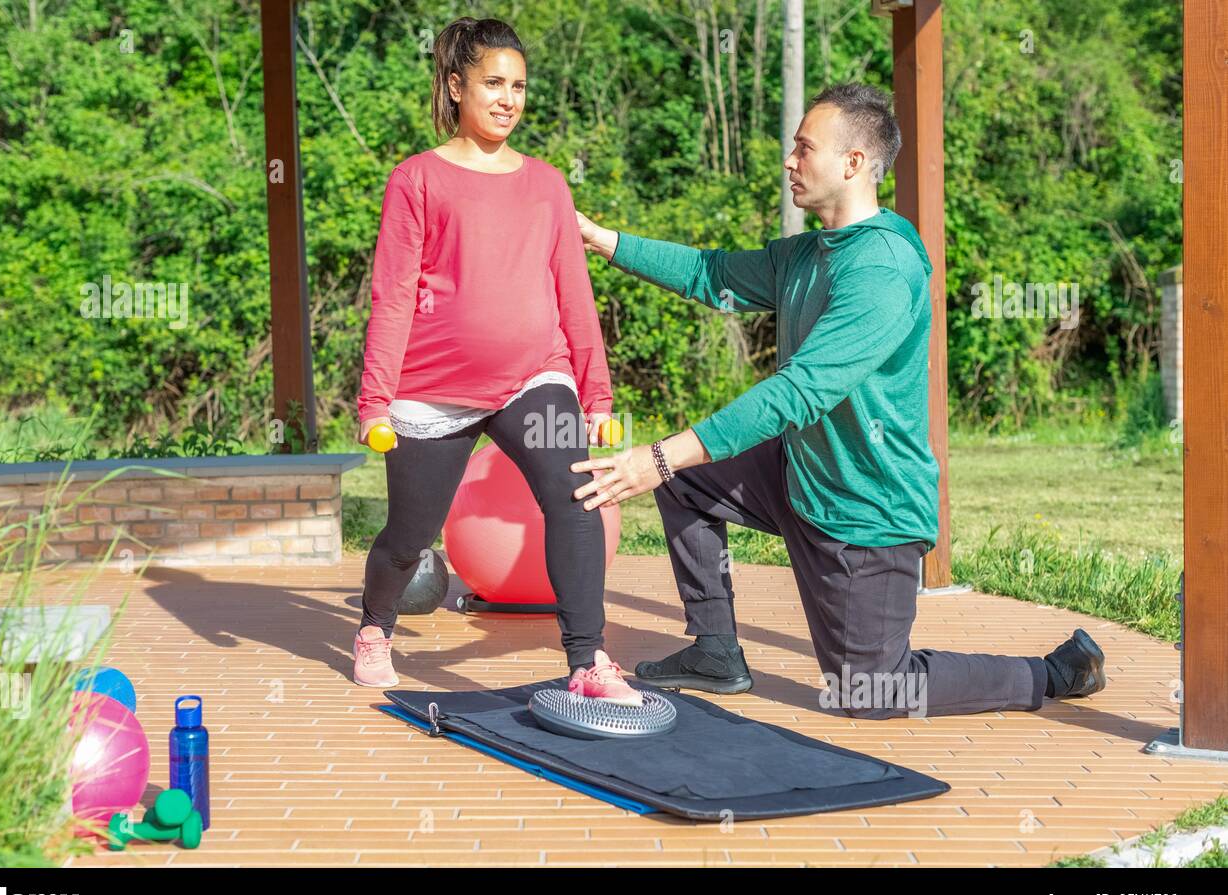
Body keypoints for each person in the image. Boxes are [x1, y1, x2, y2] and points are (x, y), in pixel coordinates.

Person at [569, 83, 1106, 719]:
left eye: (803, 148)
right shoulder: (805, 255)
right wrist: (603, 240)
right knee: (690, 482)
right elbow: (710, 274)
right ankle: (715, 650)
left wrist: (656, 456)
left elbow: (798, 392)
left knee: (870, 692)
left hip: (865, 510)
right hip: (800, 474)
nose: (790, 161)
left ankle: (1051, 674)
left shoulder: (881, 268)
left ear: (853, 163)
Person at [354, 17, 641, 705]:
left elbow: (574, 291)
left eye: (518, 85)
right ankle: (374, 625)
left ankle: (588, 658)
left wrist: (595, 395)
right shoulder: (417, 179)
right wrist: (374, 400)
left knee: (576, 494)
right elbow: (392, 294)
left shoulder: (546, 184)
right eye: (493, 83)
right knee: (410, 535)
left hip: (531, 378)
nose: (509, 98)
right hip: (432, 390)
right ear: (456, 86)